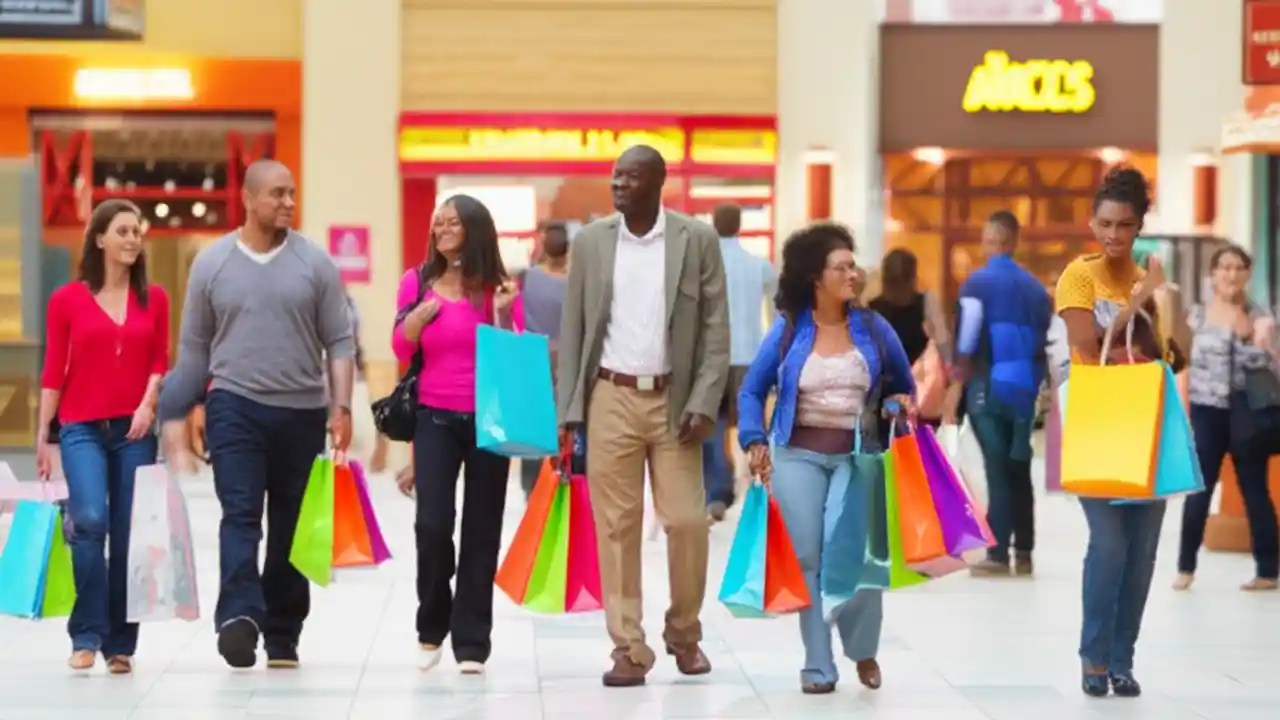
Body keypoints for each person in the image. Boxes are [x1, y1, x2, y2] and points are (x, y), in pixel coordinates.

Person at [157, 159, 356, 671]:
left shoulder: (314, 263)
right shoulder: (212, 263)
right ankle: (239, 619)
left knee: (289, 525)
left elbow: (339, 340)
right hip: (234, 406)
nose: (288, 202)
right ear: (247, 198)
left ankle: (284, 632)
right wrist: (177, 409)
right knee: (240, 515)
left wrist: (342, 407)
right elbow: (195, 347)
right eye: (277, 194)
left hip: (301, 411)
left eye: (292, 193)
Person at [557, 145, 729, 687]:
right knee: (618, 527)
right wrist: (570, 411)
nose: (619, 185)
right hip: (610, 395)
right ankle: (628, 647)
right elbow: (574, 329)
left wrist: (704, 401)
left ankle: (684, 631)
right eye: (615, 177)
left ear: (659, 183)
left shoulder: (695, 240)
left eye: (631, 177)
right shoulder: (590, 243)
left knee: (685, 520)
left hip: (676, 401)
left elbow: (716, 331)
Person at [737, 222, 915, 694]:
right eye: (843, 267)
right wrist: (754, 438)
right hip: (797, 455)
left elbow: (902, 383)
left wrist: (898, 403)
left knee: (853, 554)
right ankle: (818, 662)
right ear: (817, 278)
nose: (854, 274)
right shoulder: (789, 331)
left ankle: (862, 648)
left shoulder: (874, 329)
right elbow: (753, 390)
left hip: (858, 459)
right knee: (808, 558)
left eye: (854, 265)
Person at [35, 199, 169, 674]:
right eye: (123, 231)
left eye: (138, 231)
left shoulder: (154, 298)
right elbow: (54, 370)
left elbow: (159, 361)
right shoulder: (66, 300)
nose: (133, 239)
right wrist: (43, 436)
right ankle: (85, 632)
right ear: (100, 239)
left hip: (135, 432)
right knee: (90, 520)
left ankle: (120, 644)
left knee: (129, 535)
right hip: (80, 428)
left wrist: (147, 404)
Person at [390, 194, 518, 674]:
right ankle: (431, 623)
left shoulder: (498, 289)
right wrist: (416, 321)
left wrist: (504, 314)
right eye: (437, 222)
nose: (442, 229)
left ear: (474, 230)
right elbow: (399, 345)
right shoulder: (415, 283)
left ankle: (471, 643)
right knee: (432, 525)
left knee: (482, 534)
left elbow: (513, 356)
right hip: (434, 418)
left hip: (491, 423)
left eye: (453, 222)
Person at [1055, 166, 1170, 698]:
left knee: (1143, 549)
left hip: (1149, 425)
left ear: (1140, 225)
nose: (1113, 234)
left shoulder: (1152, 274)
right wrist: (1139, 300)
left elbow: (1175, 355)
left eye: (1125, 225)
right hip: (1099, 423)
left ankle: (1123, 659)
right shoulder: (1080, 275)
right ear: (1090, 222)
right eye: (1105, 223)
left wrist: (1162, 296)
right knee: (1108, 544)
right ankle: (1093, 655)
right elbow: (1086, 344)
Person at [945, 211, 1052, 577]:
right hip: (1024, 389)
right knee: (1019, 466)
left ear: (994, 240)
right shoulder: (1037, 290)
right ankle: (1024, 551)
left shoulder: (977, 284)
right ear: (1016, 241)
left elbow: (968, 337)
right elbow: (1044, 345)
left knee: (997, 467)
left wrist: (956, 383)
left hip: (987, 387)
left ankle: (996, 550)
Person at [1175, 245, 1280, 592]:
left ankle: (1267, 570)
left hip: (1246, 414)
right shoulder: (1198, 314)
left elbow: (1269, 366)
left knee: (1254, 490)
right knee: (1199, 489)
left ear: (1247, 274)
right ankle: (1185, 567)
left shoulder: (1260, 317)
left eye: (1238, 268)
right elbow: (1182, 355)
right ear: (1213, 274)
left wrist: (1248, 334)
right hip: (1207, 411)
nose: (1231, 275)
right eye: (1224, 268)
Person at [705, 203, 776, 521]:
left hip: (710, 357)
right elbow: (776, 317)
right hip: (750, 356)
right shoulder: (758, 266)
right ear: (739, 226)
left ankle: (719, 490)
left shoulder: (701, 267)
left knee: (713, 427)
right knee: (751, 425)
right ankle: (759, 484)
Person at [518, 221, 570, 499]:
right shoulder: (576, 282)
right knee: (563, 423)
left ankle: (532, 487)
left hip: (532, 358)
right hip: (566, 359)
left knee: (534, 424)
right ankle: (560, 478)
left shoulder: (528, 278)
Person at [869, 248, 951, 366]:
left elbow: (942, 341)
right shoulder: (926, 302)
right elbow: (942, 341)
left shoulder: (874, 308)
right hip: (915, 376)